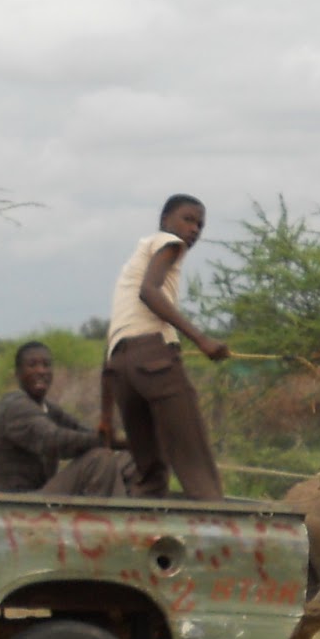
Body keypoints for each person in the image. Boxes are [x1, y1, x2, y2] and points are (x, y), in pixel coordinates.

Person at [102, 193, 229, 500]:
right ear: (165, 221)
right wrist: (201, 340)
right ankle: (220, 533)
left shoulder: (130, 267)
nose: (194, 229)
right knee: (193, 456)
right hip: (154, 358)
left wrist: (105, 416)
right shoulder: (168, 243)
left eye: (200, 224)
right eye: (188, 219)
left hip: (121, 369)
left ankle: (139, 532)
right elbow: (150, 292)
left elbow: (109, 347)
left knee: (150, 470)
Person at [0, 340, 136, 495]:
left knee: (131, 458)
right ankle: (112, 516)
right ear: (17, 373)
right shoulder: (16, 406)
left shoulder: (47, 408)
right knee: (99, 459)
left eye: (46, 365)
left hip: (41, 494)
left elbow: (80, 430)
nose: (41, 371)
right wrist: (103, 441)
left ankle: (134, 511)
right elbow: (53, 440)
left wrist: (129, 443)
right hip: (20, 500)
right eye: (32, 365)